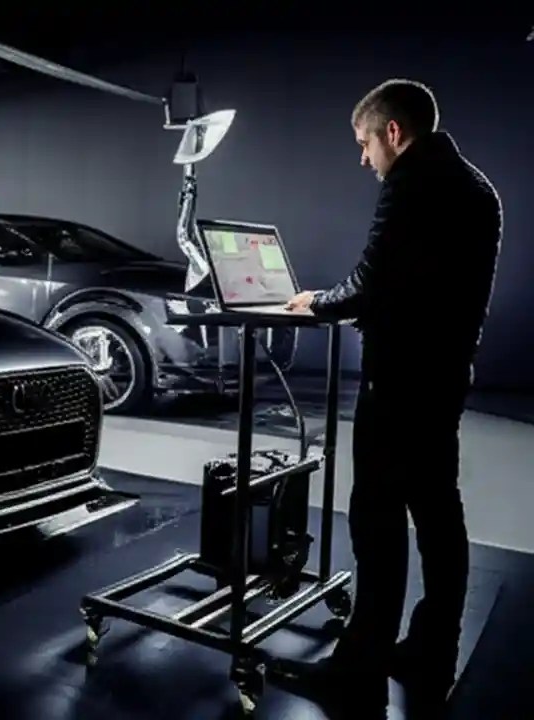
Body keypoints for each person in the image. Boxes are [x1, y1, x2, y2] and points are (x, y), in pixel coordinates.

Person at [275, 79, 503, 712]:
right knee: (438, 515)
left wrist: (314, 301)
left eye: (364, 143)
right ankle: (431, 649)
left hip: (398, 385)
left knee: (376, 522)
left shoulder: (410, 181)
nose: (364, 159)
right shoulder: (479, 189)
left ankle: (359, 667)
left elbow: (369, 284)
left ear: (392, 133)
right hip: (445, 380)